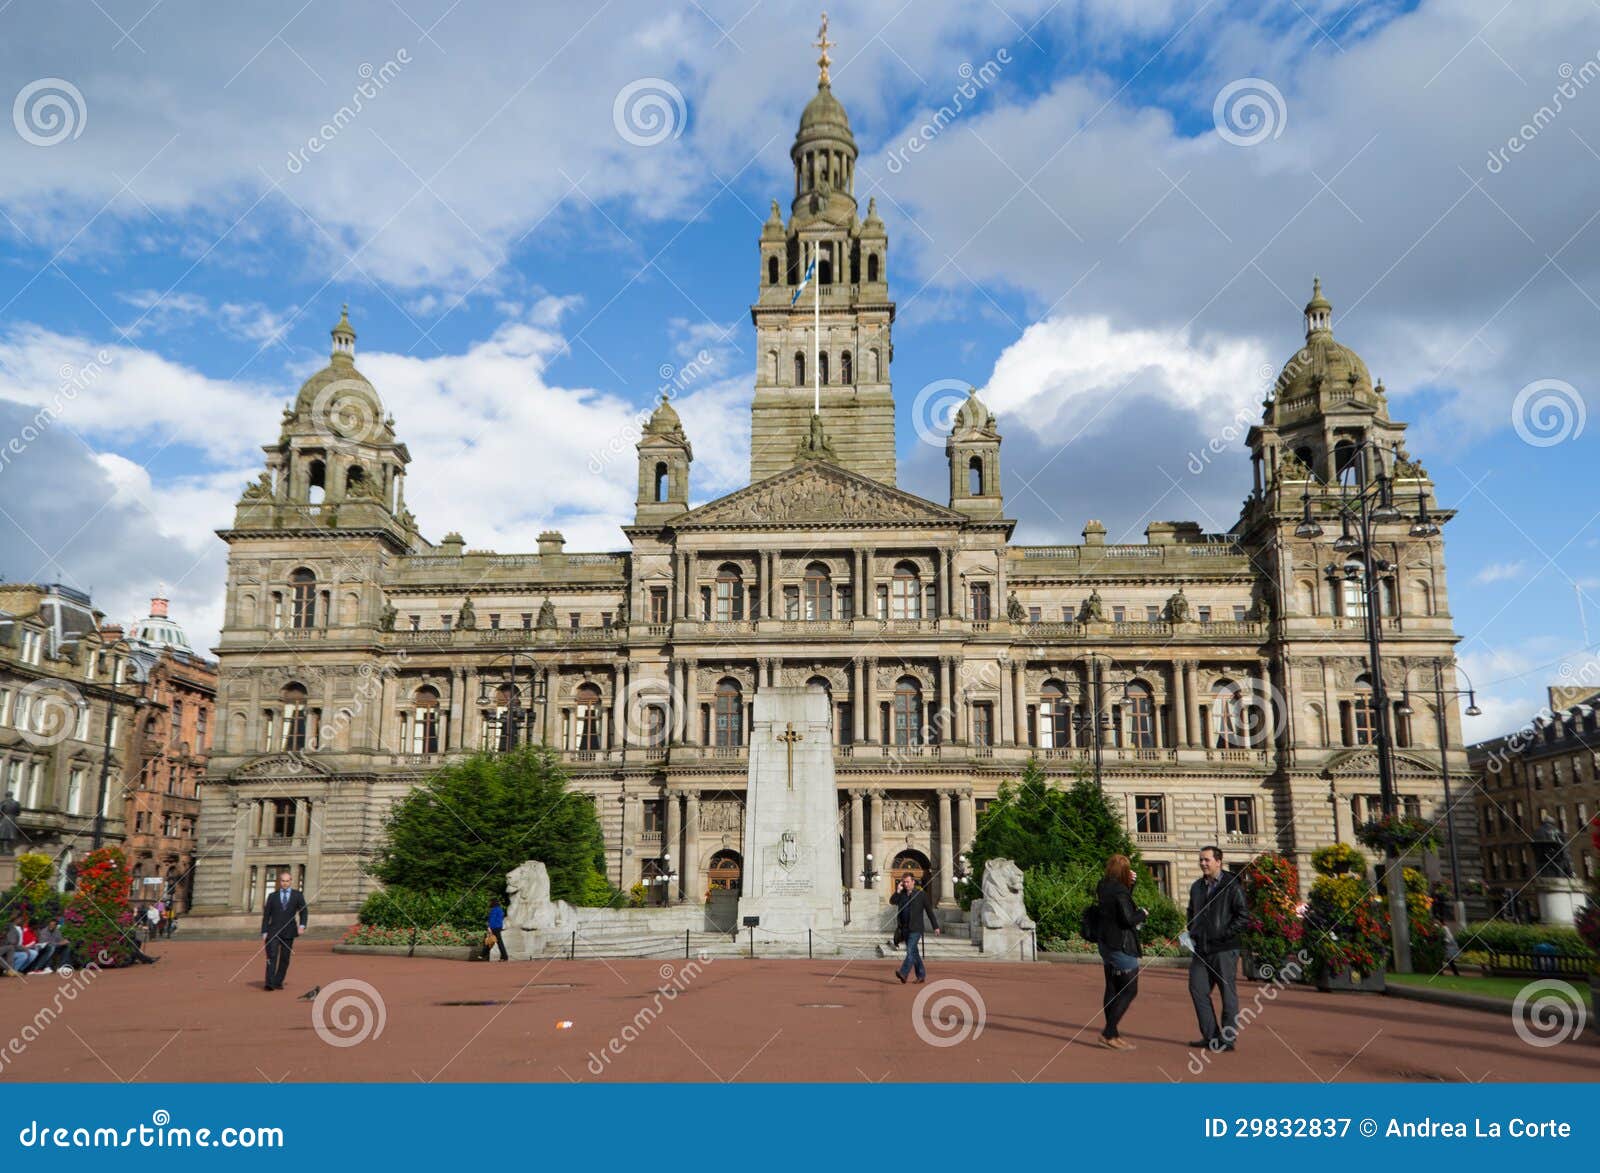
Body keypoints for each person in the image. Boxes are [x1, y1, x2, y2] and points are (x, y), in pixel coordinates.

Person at [1186, 845, 1249, 1052]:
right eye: (1201, 860)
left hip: (1224, 949)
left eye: (1207, 860)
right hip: (1201, 949)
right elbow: (1191, 912)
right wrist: (1192, 931)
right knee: (1197, 989)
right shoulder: (1196, 886)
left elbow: (1243, 916)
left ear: (1218, 862)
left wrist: (1223, 934)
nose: (1203, 863)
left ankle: (1228, 1039)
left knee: (1227, 993)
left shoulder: (1232, 885)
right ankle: (1211, 1036)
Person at [1096, 854, 1148, 1051]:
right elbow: (1127, 918)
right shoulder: (1120, 891)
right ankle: (1109, 1032)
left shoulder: (1103, 885)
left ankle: (1113, 1033)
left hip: (1105, 943)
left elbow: (1118, 906)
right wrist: (1142, 913)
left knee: (1111, 988)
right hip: (1121, 945)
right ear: (1125, 872)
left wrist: (1129, 885)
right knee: (1129, 990)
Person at [260, 870, 308, 991]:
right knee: (272, 956)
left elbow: (304, 911)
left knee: (285, 958)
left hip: (289, 931)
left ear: (291, 881)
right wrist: (264, 932)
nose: (285, 883)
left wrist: (302, 926)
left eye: (287, 881)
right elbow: (266, 915)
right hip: (273, 932)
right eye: (283, 881)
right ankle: (269, 983)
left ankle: (278, 981)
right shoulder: (272, 896)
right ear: (279, 882)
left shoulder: (298, 895)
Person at [889, 873, 940, 984]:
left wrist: (935, 926)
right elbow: (892, 901)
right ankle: (921, 975)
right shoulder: (901, 894)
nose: (906, 884)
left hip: (916, 929)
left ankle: (903, 973)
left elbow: (929, 911)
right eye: (904, 882)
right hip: (904, 928)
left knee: (910, 951)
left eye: (907, 882)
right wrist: (897, 890)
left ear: (913, 882)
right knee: (914, 953)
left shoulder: (921, 895)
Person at [2, 911, 39, 976]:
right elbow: (11, 944)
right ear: (16, 919)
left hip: (19, 948)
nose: (22, 920)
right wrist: (23, 948)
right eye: (21, 919)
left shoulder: (20, 927)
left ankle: (18, 970)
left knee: (34, 953)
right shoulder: (11, 928)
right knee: (23, 955)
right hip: (10, 951)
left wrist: (25, 948)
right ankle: (10, 971)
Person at [486, 897, 508, 962]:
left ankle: (483, 954)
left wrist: (489, 927)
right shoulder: (500, 909)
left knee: (495, 942)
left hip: (494, 927)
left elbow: (492, 920)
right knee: (499, 942)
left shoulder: (494, 910)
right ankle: (504, 956)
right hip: (499, 927)